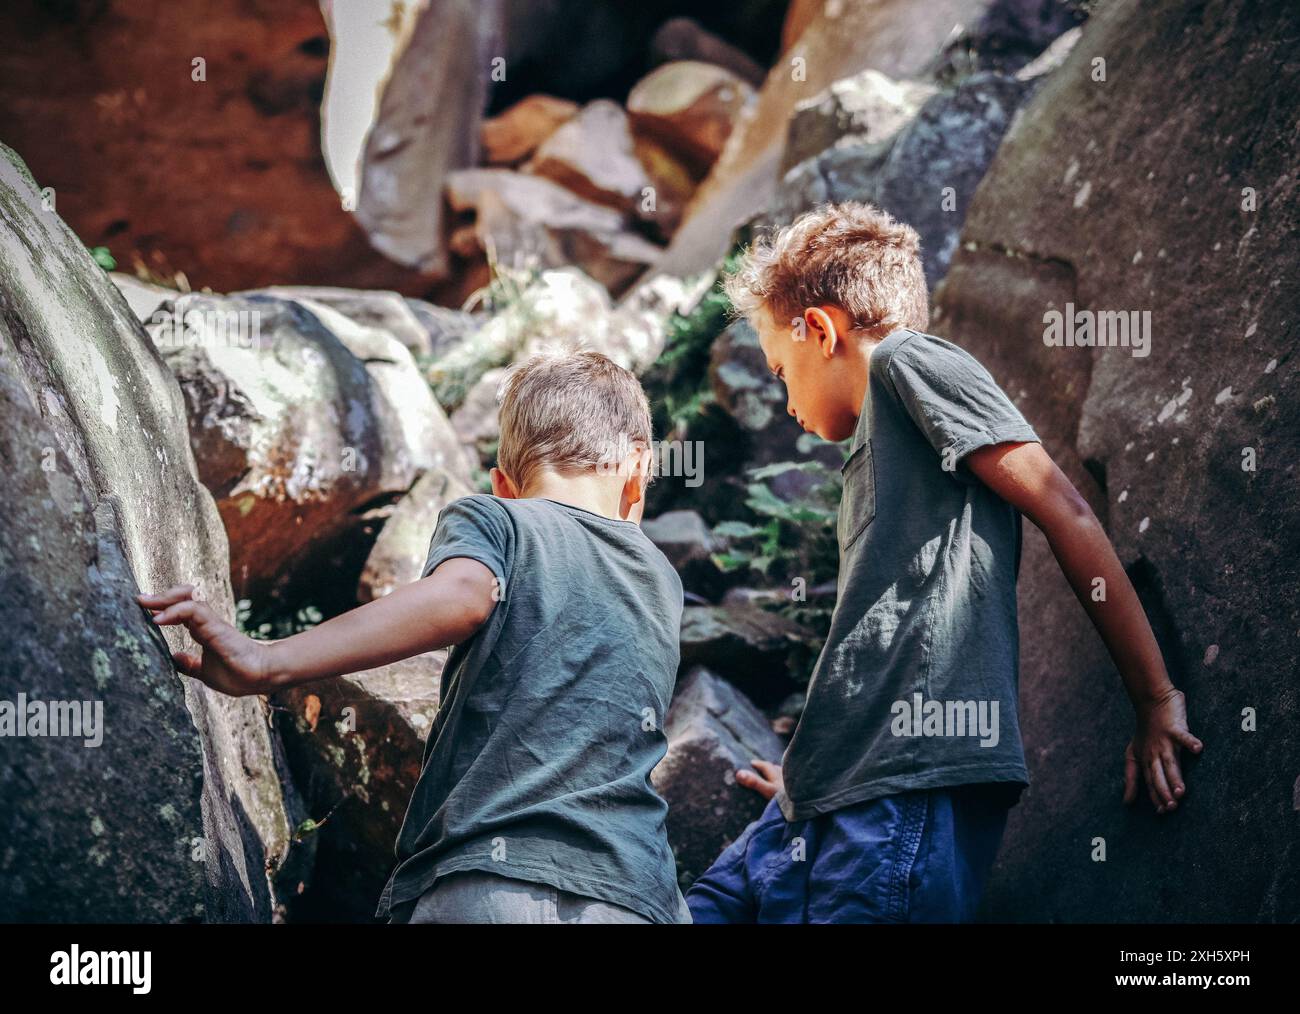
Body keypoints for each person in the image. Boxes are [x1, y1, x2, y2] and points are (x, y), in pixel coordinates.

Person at [685, 201, 1203, 923]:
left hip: (902, 793)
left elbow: (1065, 509)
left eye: (780, 369)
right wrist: (818, 773)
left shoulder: (908, 363)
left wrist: (1154, 698)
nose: (785, 397)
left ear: (821, 329)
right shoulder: (873, 454)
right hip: (823, 802)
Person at [140, 347, 692, 924]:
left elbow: (462, 596)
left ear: (503, 482)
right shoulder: (661, 579)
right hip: (640, 896)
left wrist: (267, 660)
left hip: (490, 882)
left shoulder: (498, 519)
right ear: (639, 467)